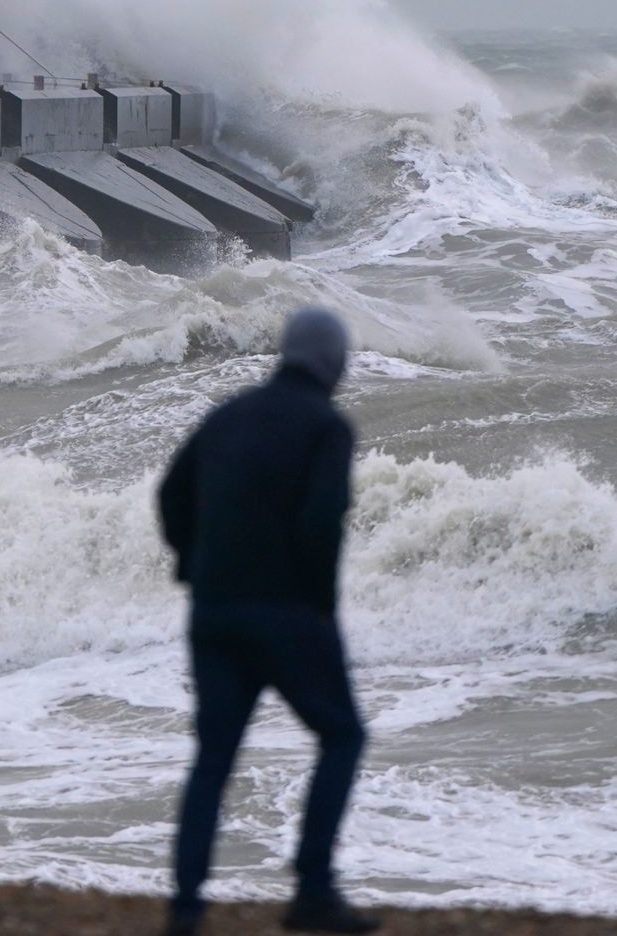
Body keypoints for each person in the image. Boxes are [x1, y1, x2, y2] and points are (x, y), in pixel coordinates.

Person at [157, 307, 379, 935]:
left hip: (215, 612)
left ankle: (185, 908)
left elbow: (171, 495)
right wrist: (320, 605)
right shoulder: (326, 426)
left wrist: (194, 566)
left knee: (213, 759)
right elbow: (322, 521)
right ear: (332, 362)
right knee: (342, 735)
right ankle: (313, 891)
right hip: (285, 614)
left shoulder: (228, 415)